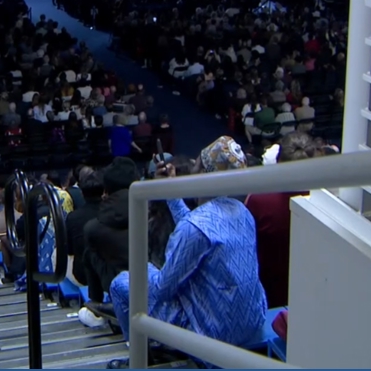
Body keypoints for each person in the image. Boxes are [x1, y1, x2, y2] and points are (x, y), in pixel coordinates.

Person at [106, 137, 267, 350]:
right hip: (252, 323)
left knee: (122, 283)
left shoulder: (195, 226)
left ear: (203, 174)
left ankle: (139, 356)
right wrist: (170, 188)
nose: (192, 166)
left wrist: (149, 272)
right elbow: (196, 230)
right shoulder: (243, 213)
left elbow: (163, 290)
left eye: (196, 164)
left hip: (213, 335)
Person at [245, 133, 324, 308]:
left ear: (279, 162)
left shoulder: (259, 199)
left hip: (268, 291)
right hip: (313, 291)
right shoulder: (326, 200)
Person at [84, 157, 139, 310]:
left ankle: (96, 304)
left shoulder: (92, 228)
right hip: (156, 285)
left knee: (89, 253)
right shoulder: (156, 212)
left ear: (106, 191)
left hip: (119, 288)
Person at [65, 170, 104, 287]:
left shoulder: (72, 217)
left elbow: (70, 251)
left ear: (82, 193)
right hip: (110, 273)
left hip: (83, 275)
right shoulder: (114, 212)